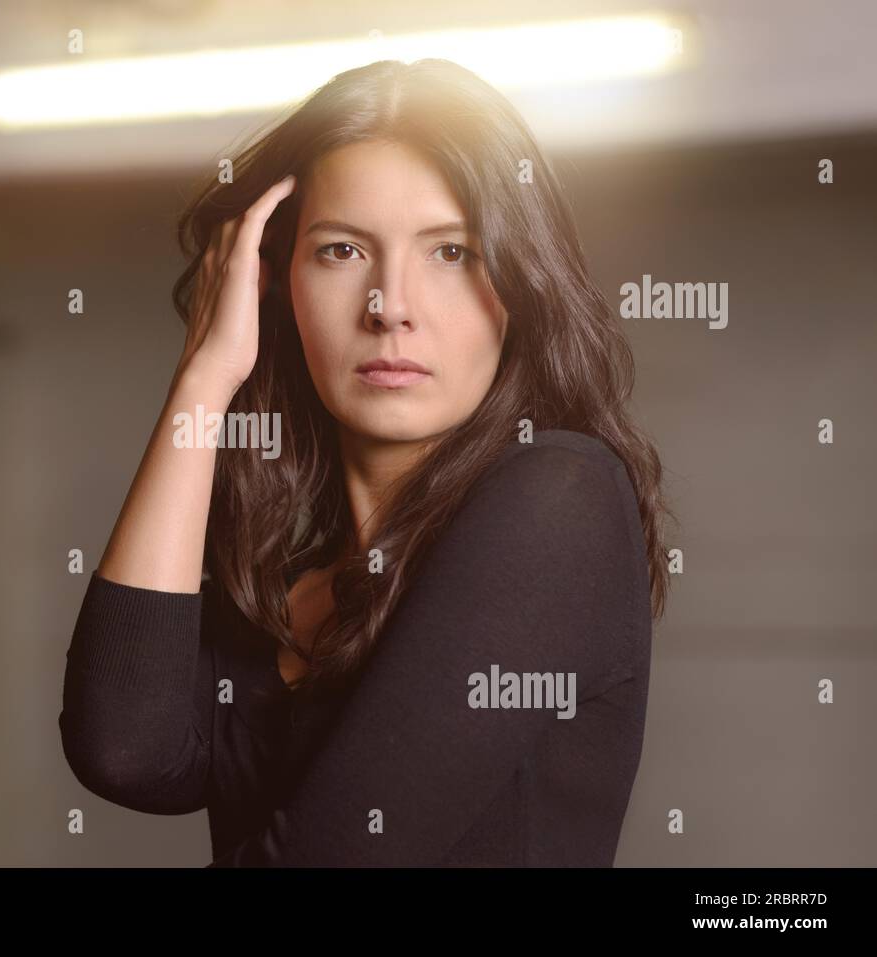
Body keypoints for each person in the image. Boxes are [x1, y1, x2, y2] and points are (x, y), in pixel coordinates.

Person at [59, 58, 673, 866]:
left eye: (450, 252)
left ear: (521, 284)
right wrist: (205, 375)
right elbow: (126, 747)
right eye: (342, 250)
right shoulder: (287, 586)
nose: (391, 307)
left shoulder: (560, 499)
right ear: (274, 283)